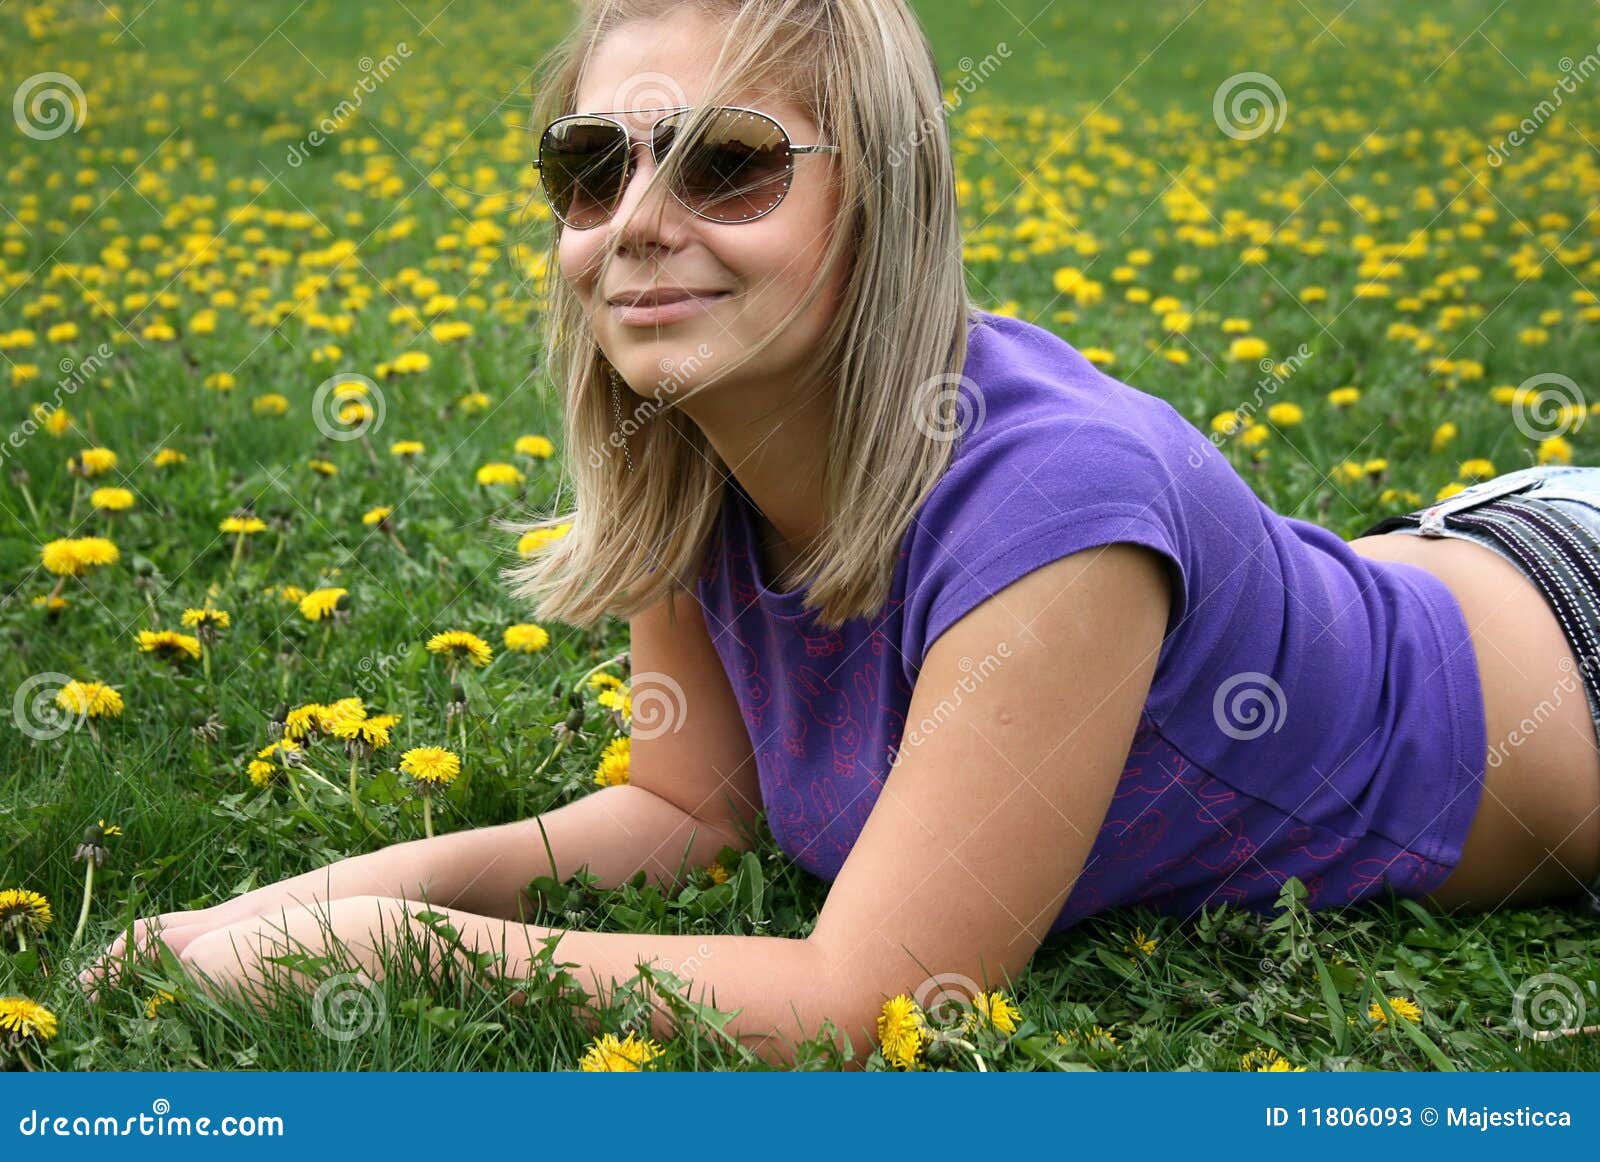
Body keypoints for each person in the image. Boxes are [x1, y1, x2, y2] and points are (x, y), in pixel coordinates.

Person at [81, 0, 1600, 1068]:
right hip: (1456, 544)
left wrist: (383, 959)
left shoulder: (1057, 511)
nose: (638, 220)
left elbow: (873, 1000)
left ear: (879, 204)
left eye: (730, 161)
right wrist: (335, 892)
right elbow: (690, 815)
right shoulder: (703, 444)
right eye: (592, 165)